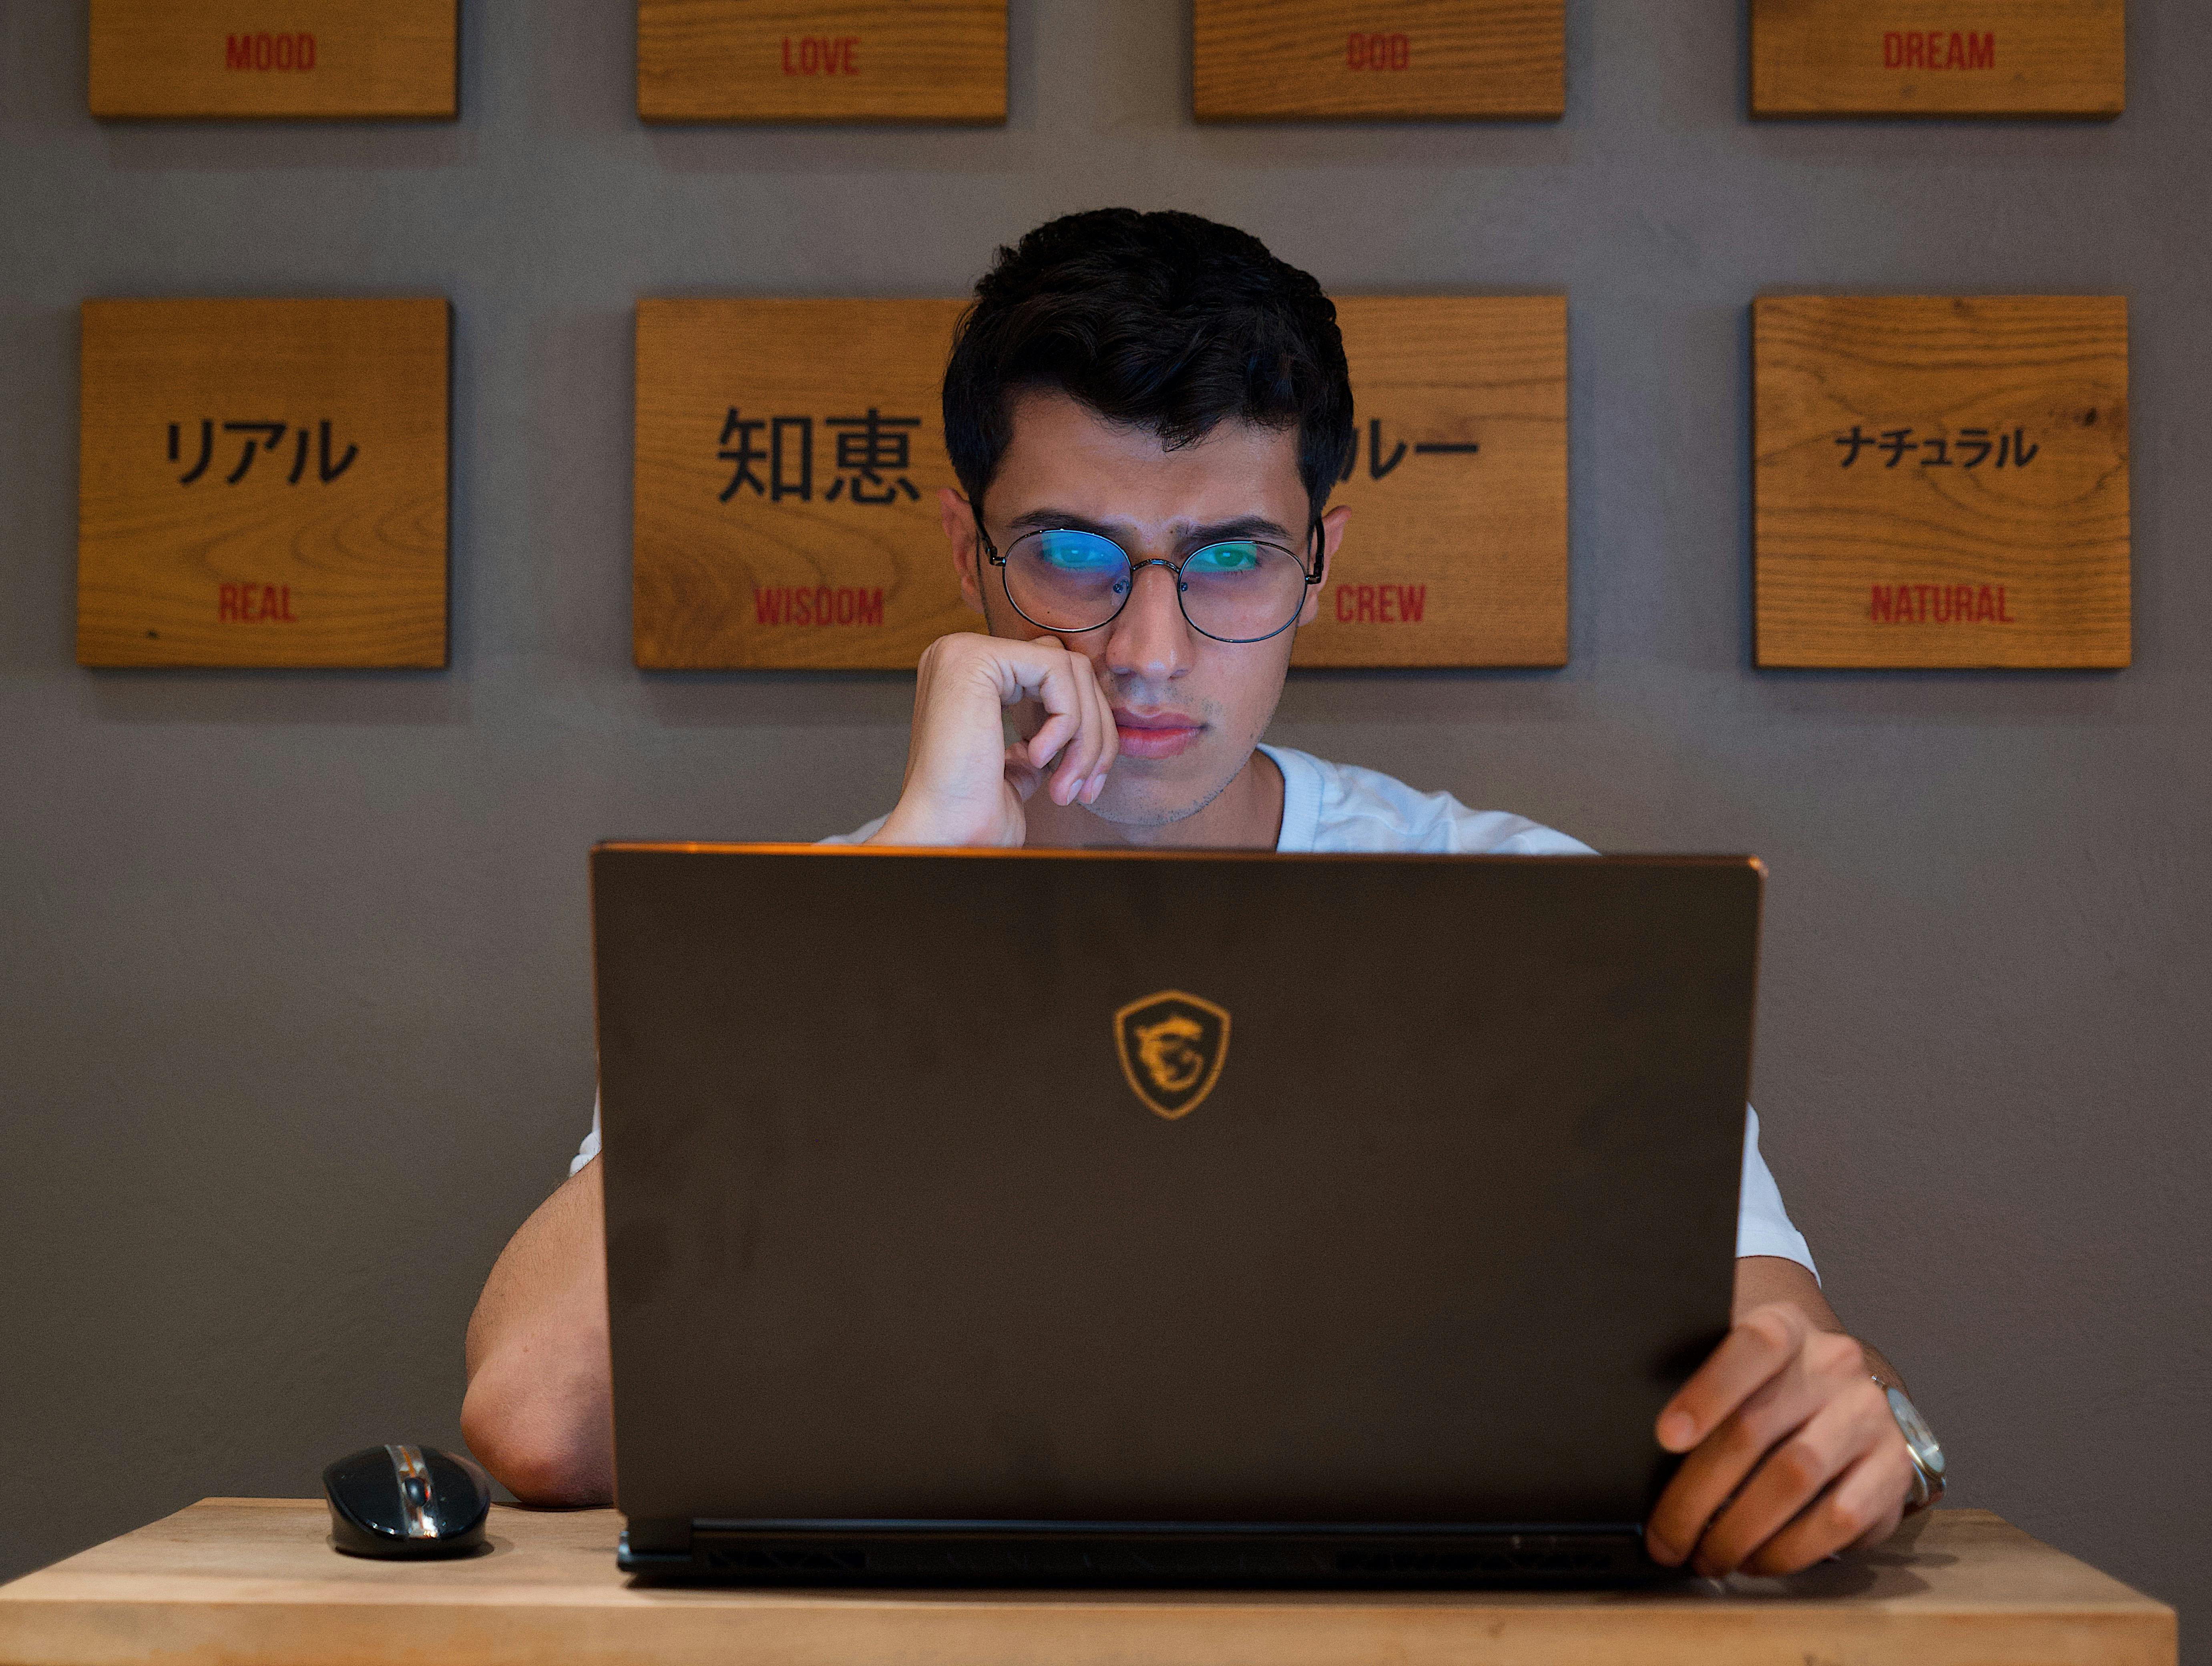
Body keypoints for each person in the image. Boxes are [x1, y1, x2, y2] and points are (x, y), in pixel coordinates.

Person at [464, 209, 1933, 1578]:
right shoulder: (805, 939)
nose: (1151, 649)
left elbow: (1776, 1341)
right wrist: (904, 901)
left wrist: (1861, 1429)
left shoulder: (1529, 913)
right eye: (1072, 558)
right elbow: (541, 1416)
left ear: (1322, 566)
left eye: (1231, 559)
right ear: (969, 559)